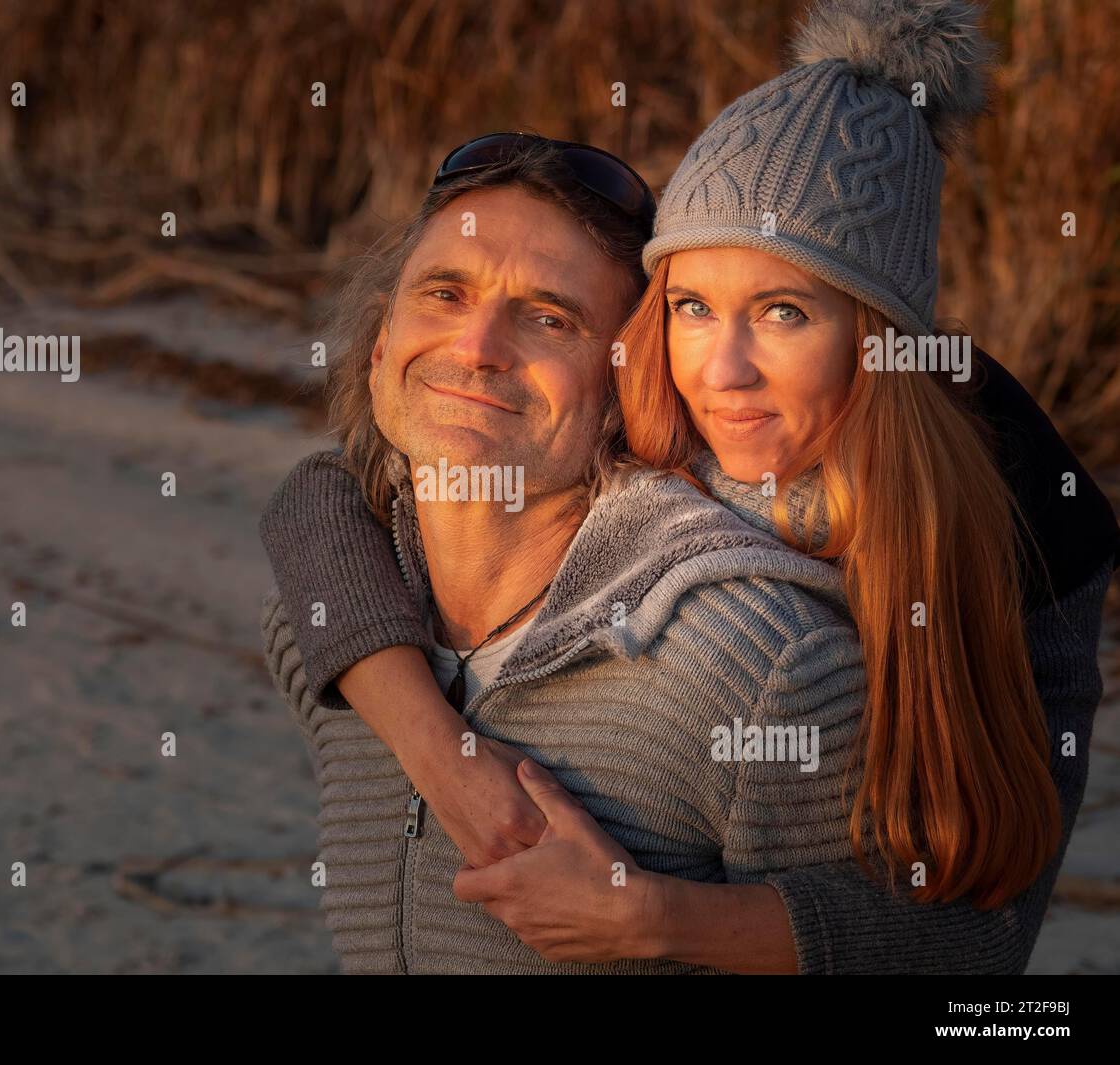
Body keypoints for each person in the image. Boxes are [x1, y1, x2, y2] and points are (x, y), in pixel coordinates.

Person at [261, 0, 1119, 973]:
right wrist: (443, 754)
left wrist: (656, 922)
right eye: (692, 307)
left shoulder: (995, 541)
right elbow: (318, 496)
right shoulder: (375, 566)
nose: (722, 372)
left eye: (786, 310)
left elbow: (973, 943)